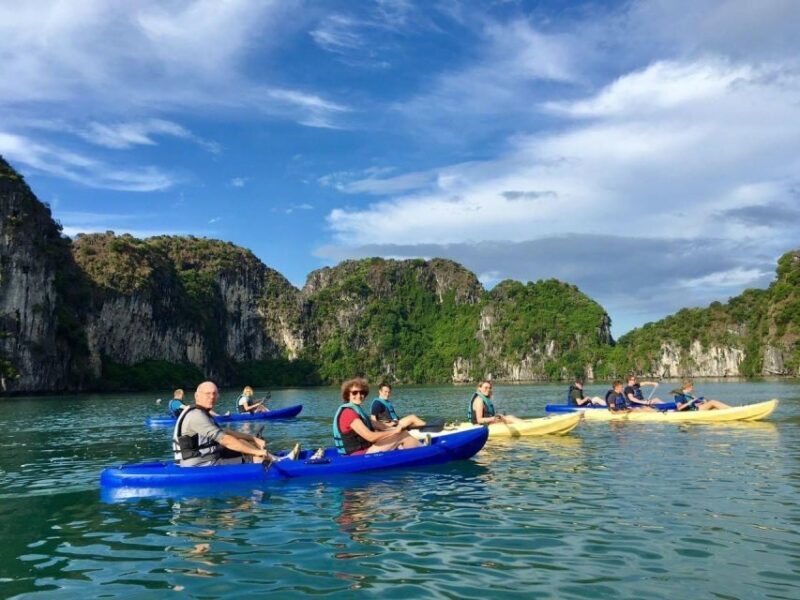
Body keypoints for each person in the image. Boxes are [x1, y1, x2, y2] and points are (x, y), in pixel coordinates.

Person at [173, 381, 299, 467]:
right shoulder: (196, 415)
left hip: (205, 457)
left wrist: (253, 439)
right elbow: (225, 440)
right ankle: (274, 464)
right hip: (198, 464)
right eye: (207, 394)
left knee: (246, 444)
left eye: (214, 394)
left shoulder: (202, 412)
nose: (211, 397)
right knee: (251, 455)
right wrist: (255, 452)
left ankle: (276, 459)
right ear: (197, 396)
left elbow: (226, 432)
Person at [333, 378, 423, 455]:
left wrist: (397, 428)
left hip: (364, 450)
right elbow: (370, 437)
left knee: (402, 432)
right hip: (358, 455)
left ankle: (415, 449)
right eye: (355, 393)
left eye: (362, 392)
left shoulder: (356, 410)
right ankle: (422, 453)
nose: (359, 395)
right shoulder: (348, 413)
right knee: (402, 435)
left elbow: (378, 425)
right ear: (347, 395)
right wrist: (395, 431)